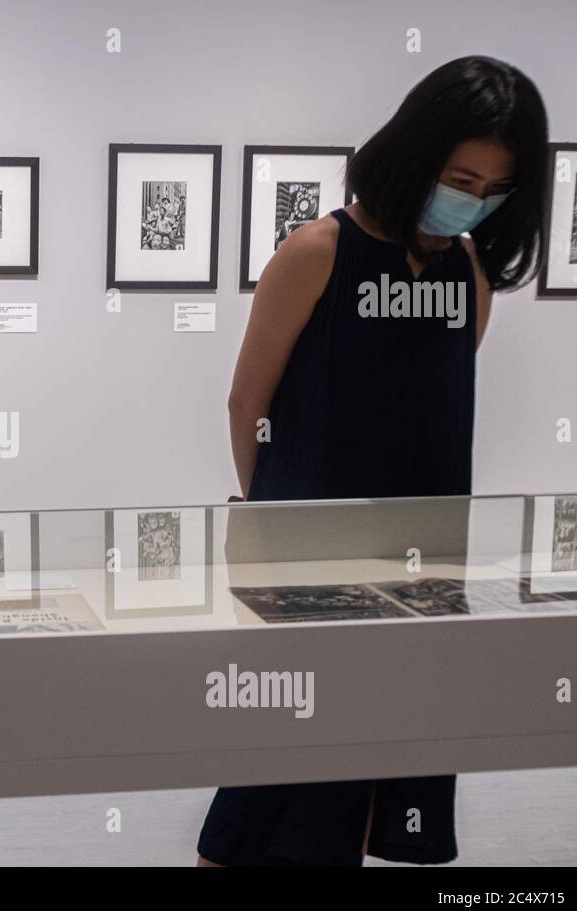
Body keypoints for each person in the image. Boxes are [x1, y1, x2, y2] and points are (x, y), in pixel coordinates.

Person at [204, 55, 548, 867]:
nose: (472, 200)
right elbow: (246, 405)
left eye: (496, 190)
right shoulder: (317, 251)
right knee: (270, 775)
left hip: (420, 576)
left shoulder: (468, 275)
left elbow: (429, 419)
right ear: (412, 151)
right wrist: (279, 540)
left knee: (371, 781)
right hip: (302, 573)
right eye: (461, 176)